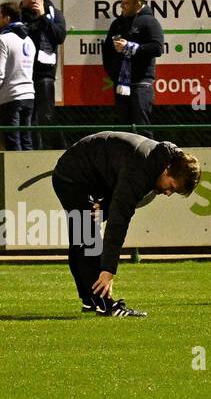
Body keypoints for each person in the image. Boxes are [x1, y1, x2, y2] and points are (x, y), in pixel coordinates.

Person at [51, 131, 201, 317]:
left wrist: (104, 206)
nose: (168, 193)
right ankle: (104, 305)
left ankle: (90, 300)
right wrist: (107, 270)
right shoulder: (141, 170)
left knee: (82, 238)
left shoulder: (168, 159)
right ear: (166, 171)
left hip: (86, 172)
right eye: (171, 187)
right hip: (72, 176)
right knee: (87, 239)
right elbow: (118, 222)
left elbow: (116, 181)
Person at [101, 0, 165, 136]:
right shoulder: (117, 24)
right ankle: (126, 158)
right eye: (121, 3)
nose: (122, 6)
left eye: (126, 3)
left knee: (142, 126)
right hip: (121, 84)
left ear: (137, 5)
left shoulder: (150, 22)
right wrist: (113, 73)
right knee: (123, 129)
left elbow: (157, 48)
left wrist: (131, 47)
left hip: (141, 83)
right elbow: (107, 51)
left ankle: (148, 158)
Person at [20, 0, 67, 149]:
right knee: (26, 117)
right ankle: (30, 152)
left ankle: (57, 151)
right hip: (22, 73)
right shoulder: (19, 13)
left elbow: (60, 36)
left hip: (44, 74)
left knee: (45, 116)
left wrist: (42, 17)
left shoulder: (54, 14)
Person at [0, 2, 37, 150]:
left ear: (7, 18)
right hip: (29, 96)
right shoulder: (29, 40)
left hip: (11, 97)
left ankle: (16, 174)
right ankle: (30, 172)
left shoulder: (3, 39)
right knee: (26, 139)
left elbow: (0, 73)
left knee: (12, 140)